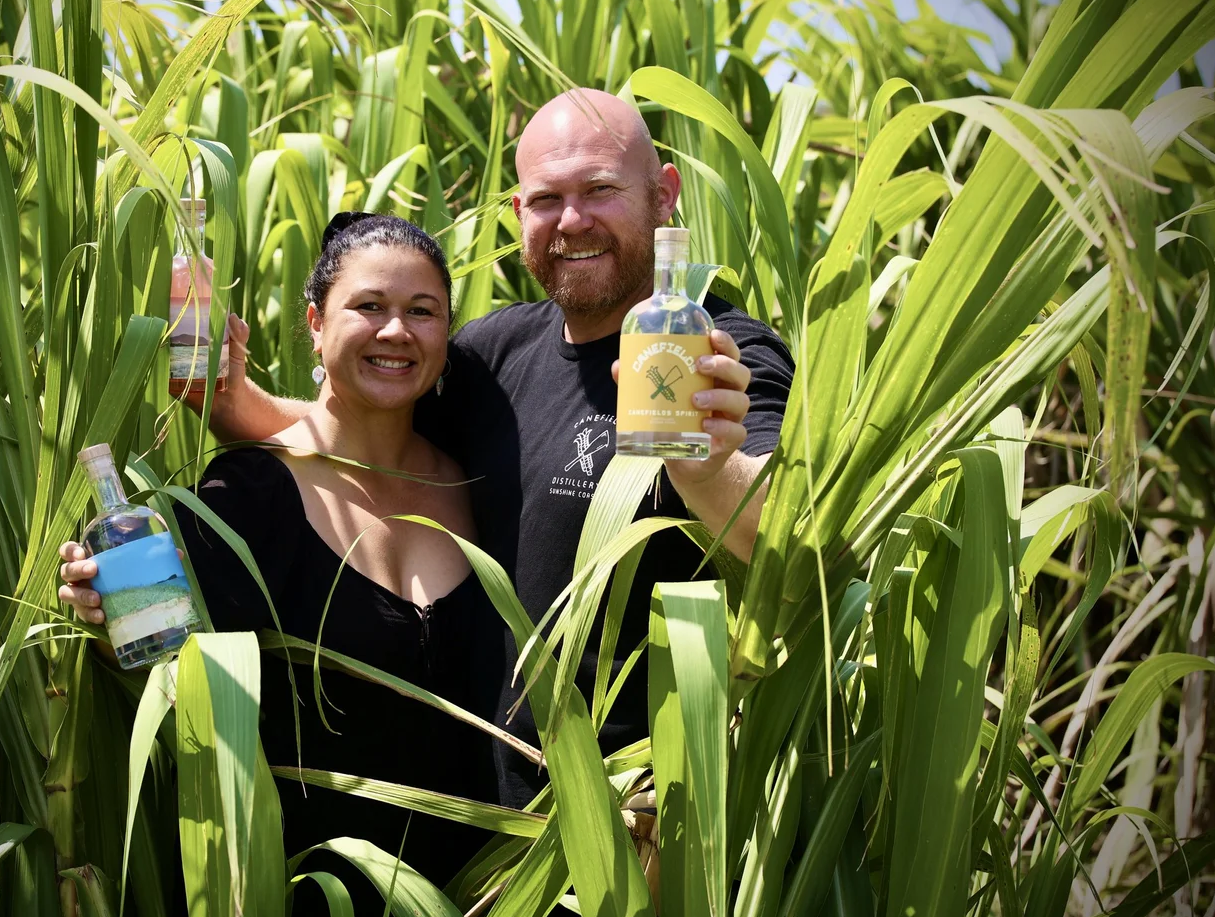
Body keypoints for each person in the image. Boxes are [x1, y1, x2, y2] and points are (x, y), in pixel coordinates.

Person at [198, 88, 796, 811]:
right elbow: (370, 429)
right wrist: (241, 408)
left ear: (663, 194)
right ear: (519, 215)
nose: (572, 221)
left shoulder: (718, 348)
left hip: (629, 825)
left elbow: (784, 527)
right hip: (480, 828)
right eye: (547, 199)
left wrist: (703, 464)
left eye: (600, 190)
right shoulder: (495, 351)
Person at [57, 214, 502, 916]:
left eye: (423, 311)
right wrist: (99, 609)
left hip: (480, 891)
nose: (397, 331)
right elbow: (170, 674)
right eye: (368, 307)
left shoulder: (478, 482)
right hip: (308, 891)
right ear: (316, 326)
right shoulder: (245, 495)